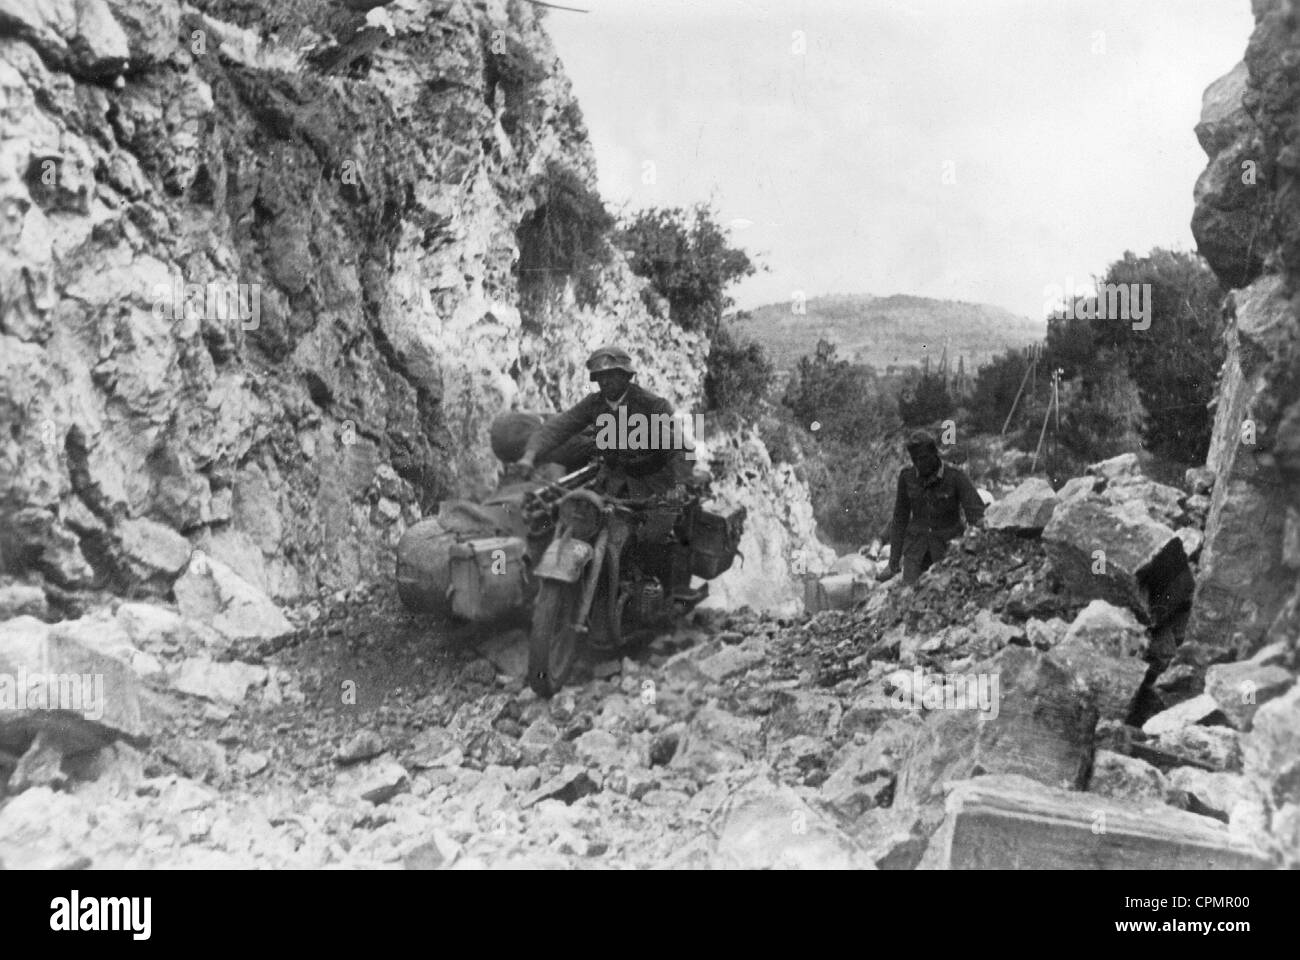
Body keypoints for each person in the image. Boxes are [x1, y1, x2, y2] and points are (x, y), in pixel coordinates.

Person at [514, 346, 692, 499]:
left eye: (611, 375)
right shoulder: (594, 403)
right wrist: (529, 456)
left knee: (652, 535)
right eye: (600, 376)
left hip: (651, 482)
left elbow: (680, 446)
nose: (605, 381)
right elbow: (558, 427)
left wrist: (680, 484)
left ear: (625, 376)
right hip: (613, 481)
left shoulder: (653, 405)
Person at [877, 429, 985, 586]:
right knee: (910, 595)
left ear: (935, 454)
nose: (920, 464)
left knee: (944, 594)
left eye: (924, 458)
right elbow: (900, 519)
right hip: (915, 553)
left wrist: (974, 552)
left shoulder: (955, 477)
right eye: (915, 460)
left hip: (946, 552)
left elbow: (976, 516)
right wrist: (893, 561)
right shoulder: (907, 477)